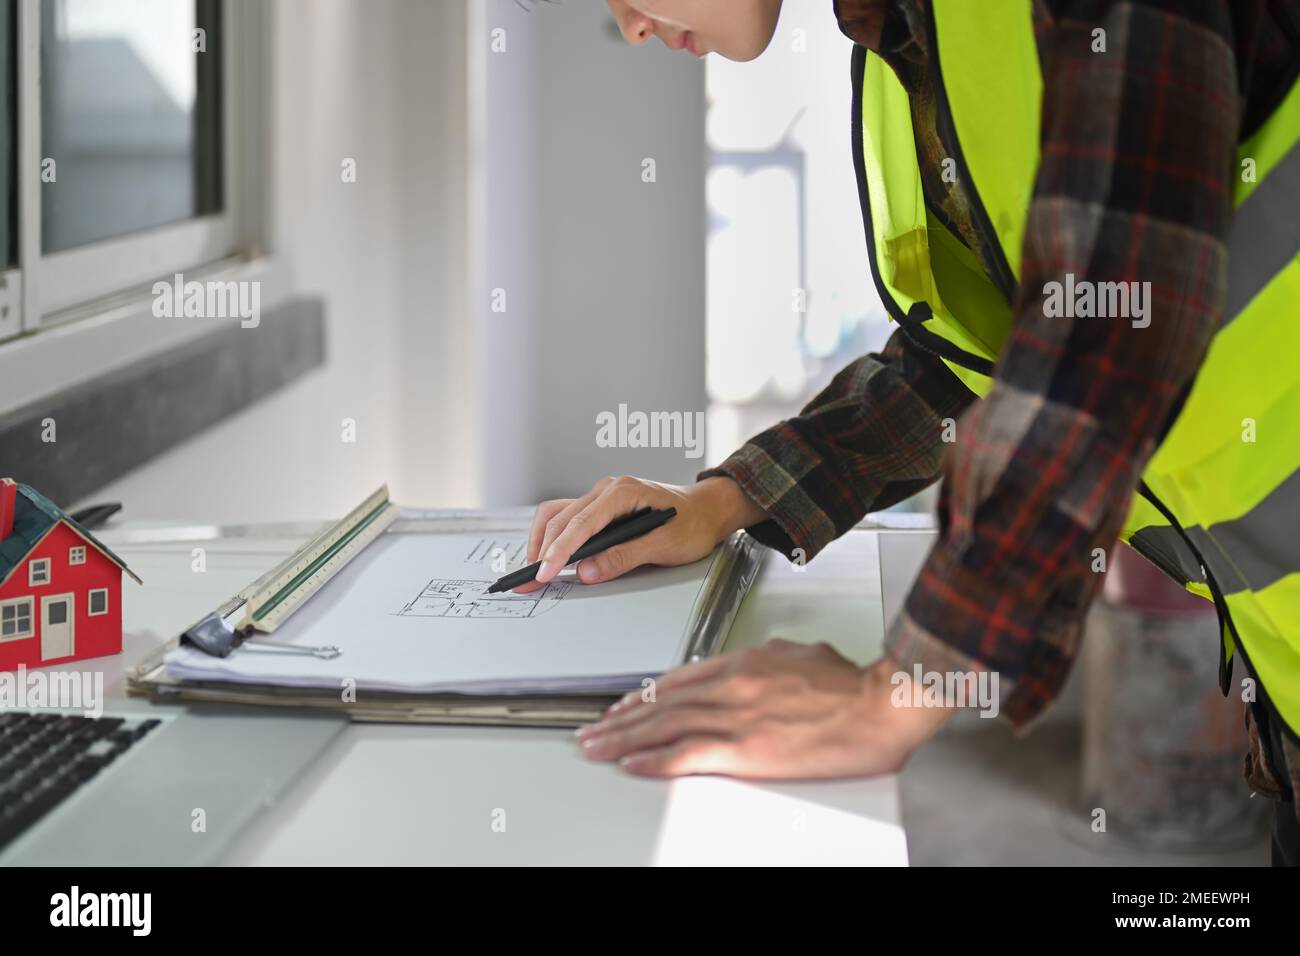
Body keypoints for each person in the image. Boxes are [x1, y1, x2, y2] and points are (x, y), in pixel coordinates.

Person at [524, 0, 1300, 864]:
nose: (627, 22)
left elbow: (1115, 311)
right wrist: (724, 499)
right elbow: (971, 358)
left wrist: (895, 694)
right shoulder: (907, 32)